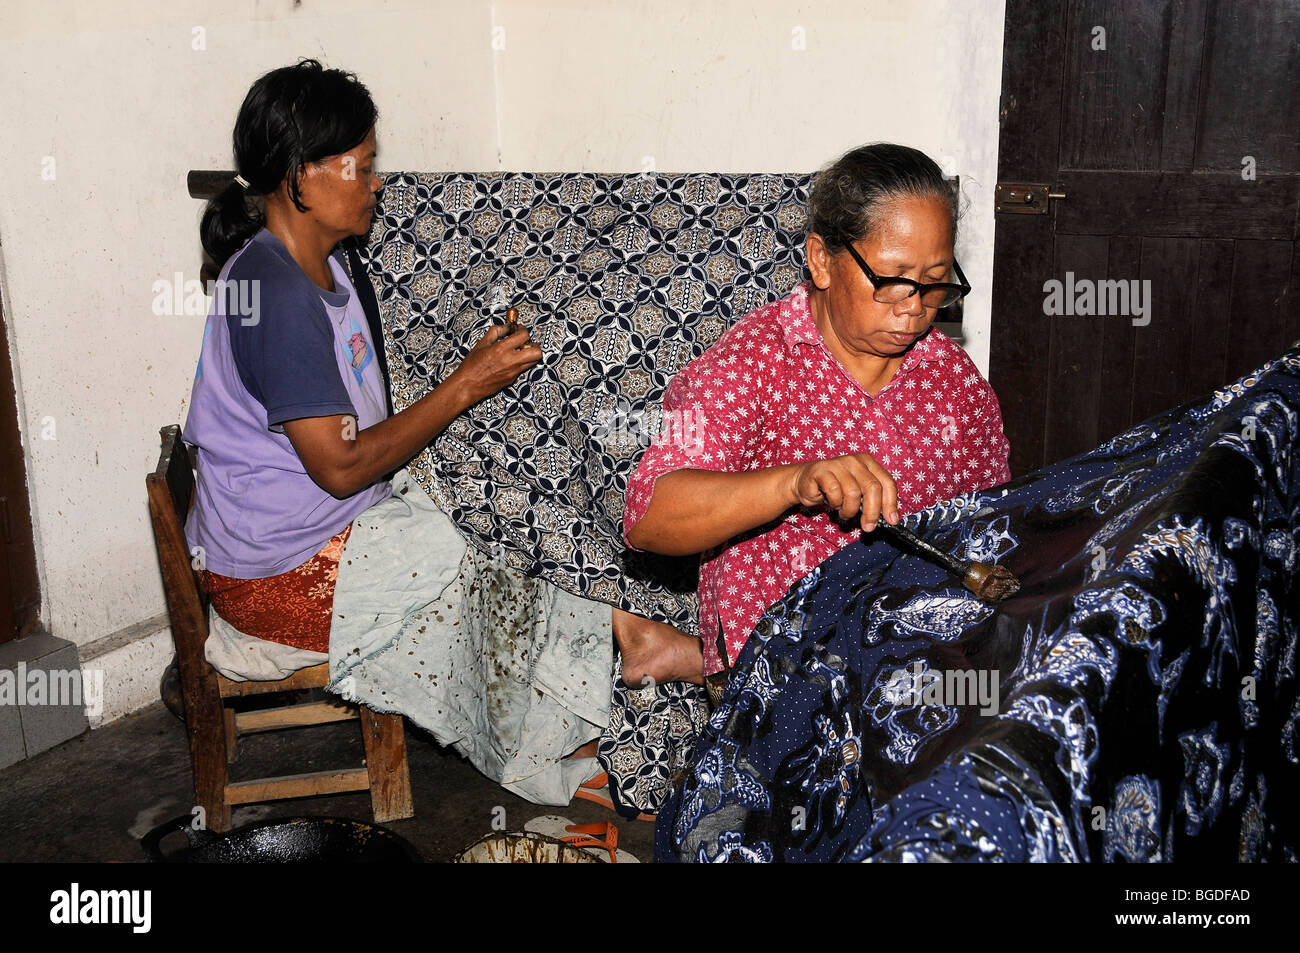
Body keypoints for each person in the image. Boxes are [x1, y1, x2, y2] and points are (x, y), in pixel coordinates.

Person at [184, 60, 541, 649]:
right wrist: (465, 385)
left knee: (508, 518)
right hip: (282, 573)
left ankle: (573, 716)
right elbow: (341, 468)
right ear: (301, 175)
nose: (376, 185)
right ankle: (560, 734)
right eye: (363, 168)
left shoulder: (323, 265)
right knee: (511, 567)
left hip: (316, 532)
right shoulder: (277, 296)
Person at [623, 143, 1012, 677]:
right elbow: (650, 518)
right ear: (822, 261)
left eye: (935, 281)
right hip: (777, 670)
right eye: (893, 278)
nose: (915, 305)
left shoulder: (954, 383)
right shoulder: (753, 362)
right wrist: (795, 482)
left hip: (911, 657)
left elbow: (991, 528)